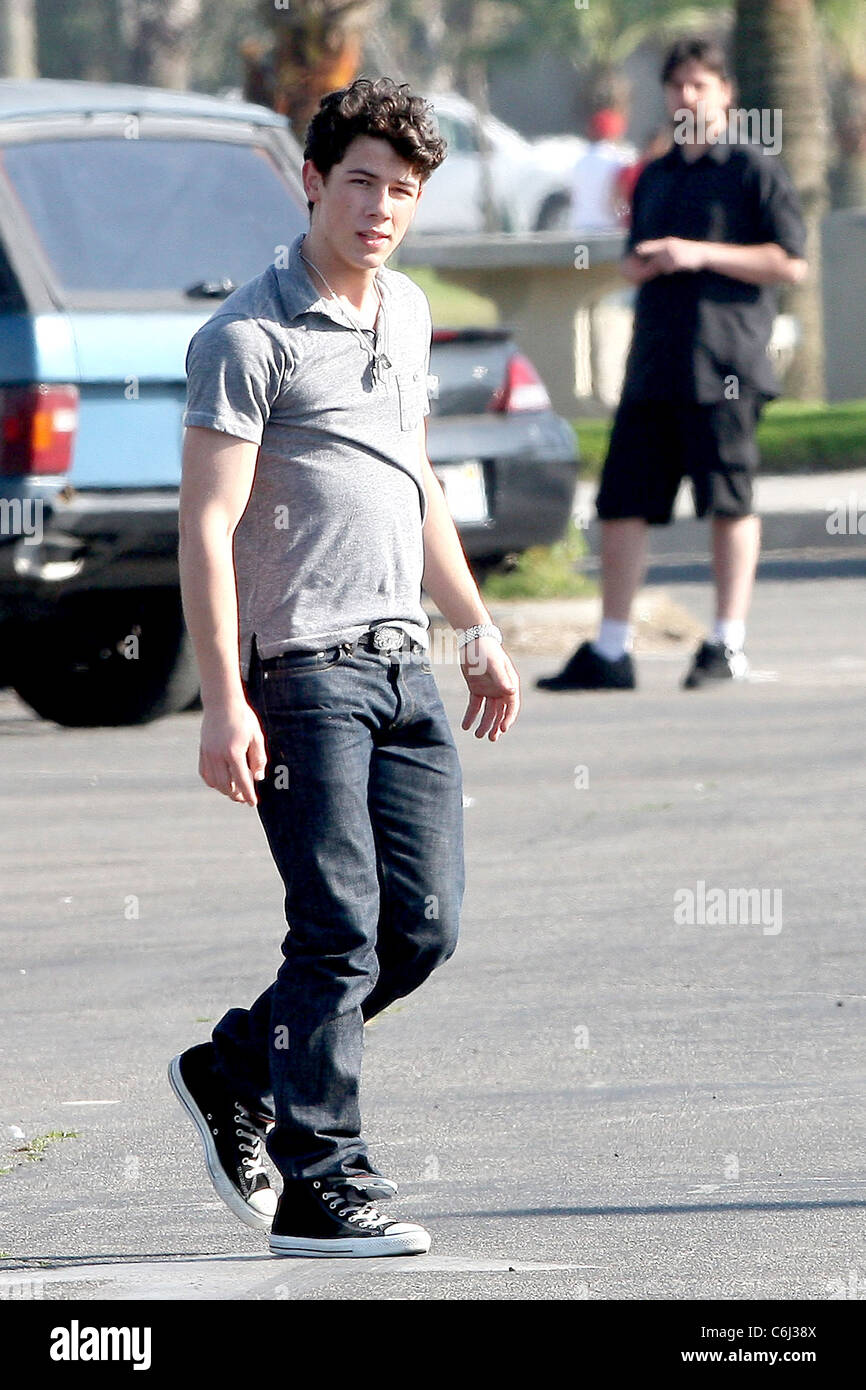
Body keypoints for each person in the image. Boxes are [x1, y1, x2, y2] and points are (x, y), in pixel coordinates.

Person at [169, 77, 520, 1258]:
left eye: (403, 191)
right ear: (313, 182)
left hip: (402, 664)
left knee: (420, 929)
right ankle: (326, 1184)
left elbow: (412, 480)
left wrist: (473, 627)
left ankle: (234, 1069)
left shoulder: (403, 313)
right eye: (360, 181)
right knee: (337, 931)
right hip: (302, 672)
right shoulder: (245, 337)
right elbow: (206, 530)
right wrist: (222, 700)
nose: (379, 207)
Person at [538, 37, 808, 692]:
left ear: (725, 93)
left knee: (728, 501)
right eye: (676, 85)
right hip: (654, 362)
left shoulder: (752, 169)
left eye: (700, 84)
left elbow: (790, 262)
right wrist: (646, 261)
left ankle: (725, 644)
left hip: (726, 364)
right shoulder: (656, 173)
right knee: (622, 502)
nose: (687, 96)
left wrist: (699, 253)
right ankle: (610, 649)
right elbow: (633, 255)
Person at [571, 107, 637, 231]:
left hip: (580, 226)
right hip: (608, 228)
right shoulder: (619, 160)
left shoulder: (580, 160)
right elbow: (620, 199)